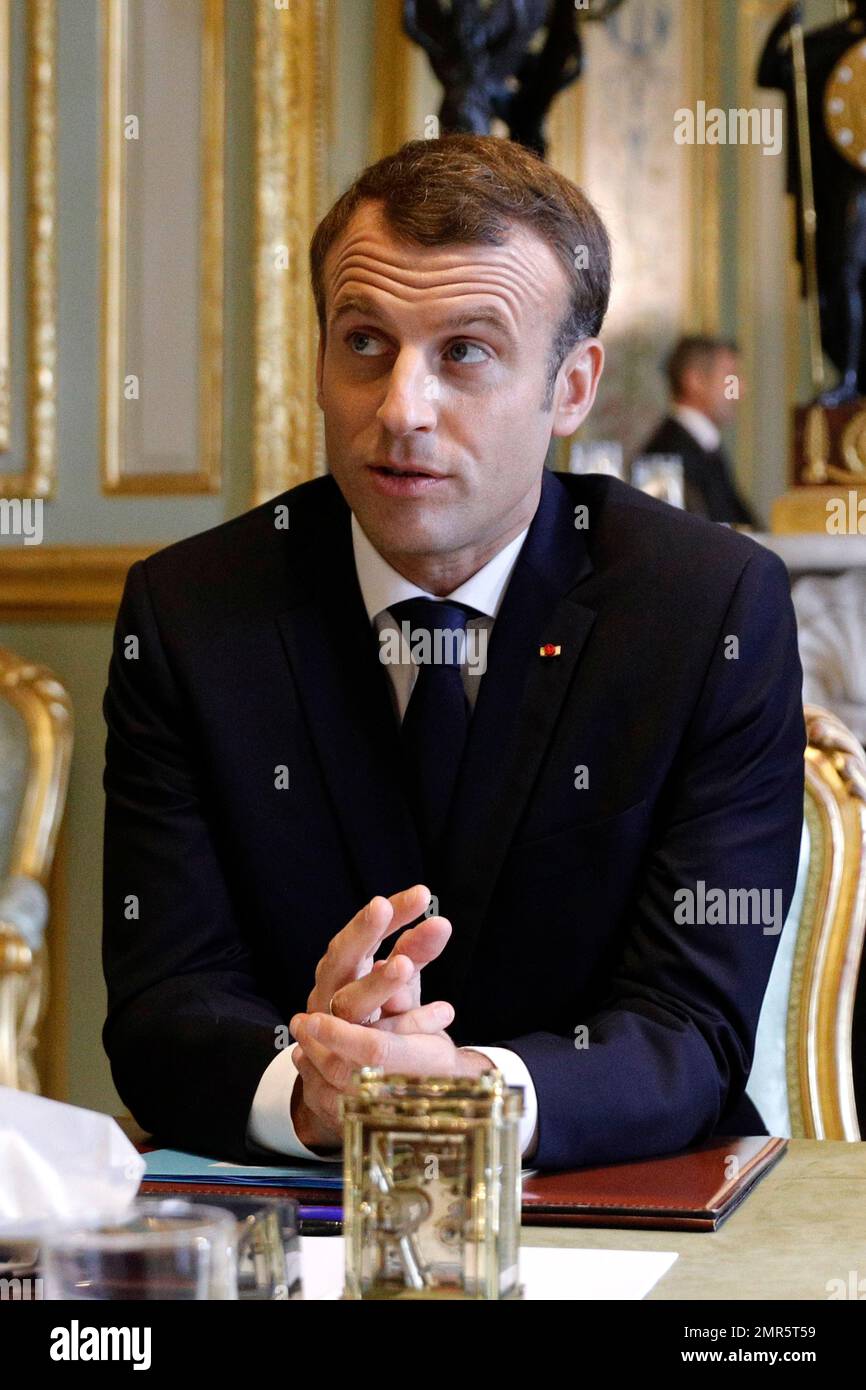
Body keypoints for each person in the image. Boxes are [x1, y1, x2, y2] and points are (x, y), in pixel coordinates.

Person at [102, 135, 805, 1171]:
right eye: (364, 342)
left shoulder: (704, 610)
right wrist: (311, 1085)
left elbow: (689, 1025)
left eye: (464, 352)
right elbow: (163, 1004)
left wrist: (467, 1093)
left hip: (618, 1198)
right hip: (296, 1202)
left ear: (570, 388)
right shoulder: (188, 614)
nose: (400, 411)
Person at [640, 336, 760, 527]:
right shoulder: (669, 454)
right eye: (731, 378)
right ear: (695, 381)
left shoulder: (705, 447)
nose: (741, 389)